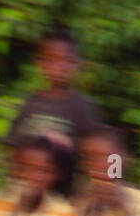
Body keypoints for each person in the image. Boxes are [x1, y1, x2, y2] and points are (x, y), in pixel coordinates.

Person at [6, 27, 102, 198]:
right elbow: (14, 148)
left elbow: (93, 154)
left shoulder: (82, 106)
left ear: (76, 64)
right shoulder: (30, 102)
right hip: (25, 193)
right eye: (51, 60)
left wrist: (67, 146)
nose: (59, 67)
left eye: (65, 61)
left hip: (63, 195)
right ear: (39, 62)